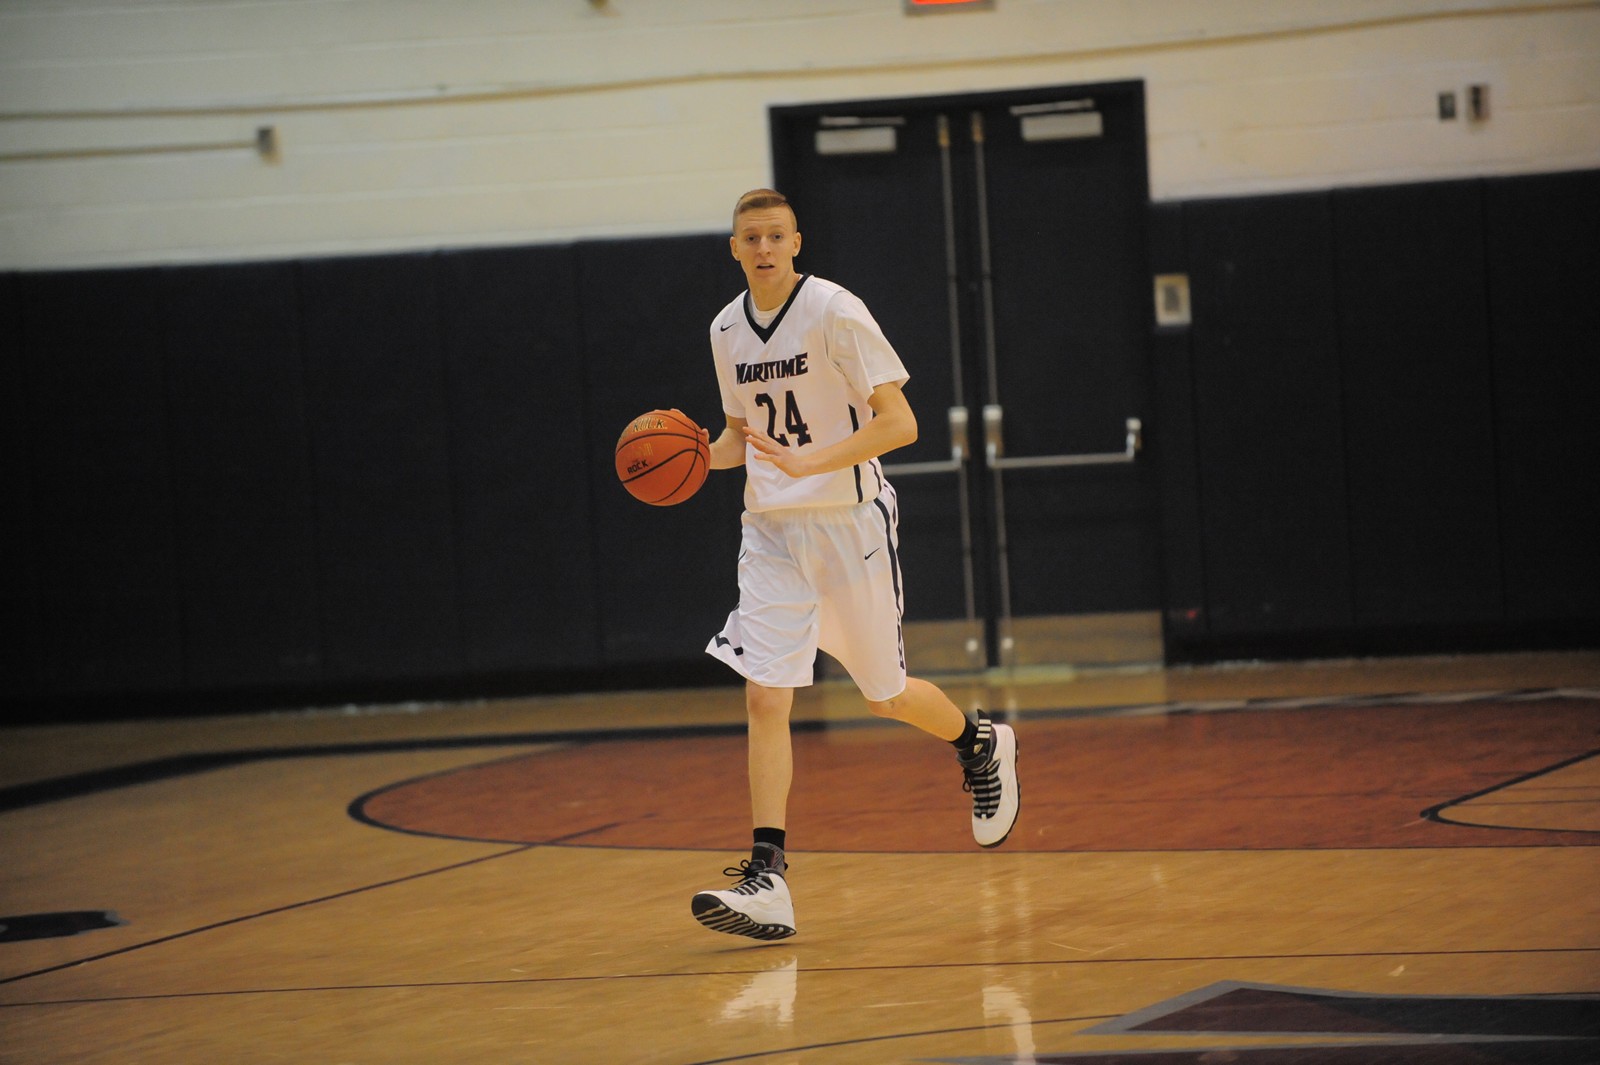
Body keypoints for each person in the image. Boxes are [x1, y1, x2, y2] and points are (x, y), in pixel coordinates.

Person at [690, 188, 1020, 941]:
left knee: (886, 694)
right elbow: (740, 434)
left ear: (796, 241)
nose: (765, 248)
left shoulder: (836, 310)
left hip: (849, 524)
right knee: (766, 696)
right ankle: (767, 875)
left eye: (777, 235)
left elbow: (899, 422)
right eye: (751, 238)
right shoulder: (723, 329)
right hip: (770, 530)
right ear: (734, 249)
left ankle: (979, 743)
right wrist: (687, 463)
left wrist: (812, 463)